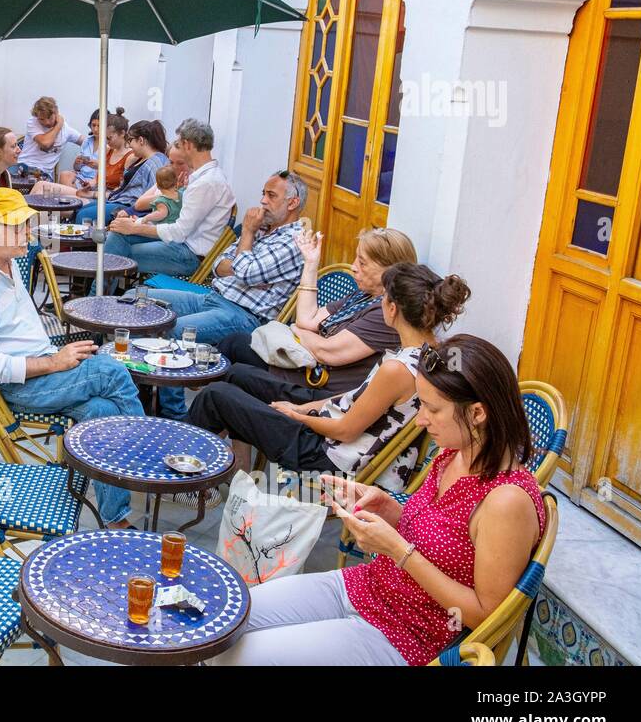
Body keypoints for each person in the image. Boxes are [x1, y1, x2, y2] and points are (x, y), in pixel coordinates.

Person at [209, 334, 544, 666]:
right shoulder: (454, 454)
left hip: (403, 636)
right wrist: (391, 510)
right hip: (366, 588)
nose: (421, 420)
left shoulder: (506, 502)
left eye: (432, 408)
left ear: (477, 414)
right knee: (219, 625)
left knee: (232, 657)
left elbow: (487, 617)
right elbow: (447, 543)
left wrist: (399, 551)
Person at [0, 187, 143, 527]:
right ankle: (148, 463)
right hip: (19, 387)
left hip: (43, 369)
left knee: (103, 411)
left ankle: (116, 518)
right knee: (110, 371)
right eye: (18, 227)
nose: (27, 233)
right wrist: (55, 363)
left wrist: (55, 358)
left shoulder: (7, 264)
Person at [189, 263, 471, 479]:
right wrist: (307, 407)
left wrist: (295, 414)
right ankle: (224, 471)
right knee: (238, 376)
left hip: (330, 456)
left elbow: (346, 431)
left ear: (393, 309)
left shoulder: (397, 369)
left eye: (384, 298)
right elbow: (358, 399)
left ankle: (188, 480)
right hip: (334, 430)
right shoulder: (442, 353)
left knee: (216, 394)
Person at [151, 171, 308, 420]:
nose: (263, 201)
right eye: (263, 194)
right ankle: (144, 390)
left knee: (172, 328)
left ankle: (173, 415)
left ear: (292, 203)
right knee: (143, 302)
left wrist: (246, 234)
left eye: (271, 195)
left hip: (244, 316)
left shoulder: (293, 242)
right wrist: (241, 262)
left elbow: (244, 272)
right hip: (214, 297)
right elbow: (218, 265)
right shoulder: (264, 229)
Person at [217, 227, 418, 397]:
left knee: (233, 379)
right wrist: (311, 265)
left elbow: (326, 352)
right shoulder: (363, 295)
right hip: (302, 369)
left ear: (390, 270)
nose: (354, 267)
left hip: (320, 390)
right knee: (235, 344)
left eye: (363, 262)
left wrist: (298, 332)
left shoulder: (386, 313)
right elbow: (307, 320)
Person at [104, 119, 235, 275]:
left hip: (189, 255)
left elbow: (179, 232)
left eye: (178, 144)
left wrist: (136, 226)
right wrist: (136, 223)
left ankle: (97, 295)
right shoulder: (203, 177)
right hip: (182, 245)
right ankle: (100, 294)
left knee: (118, 251)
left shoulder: (206, 183)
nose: (175, 147)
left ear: (187, 145)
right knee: (118, 235)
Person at [74, 119, 169, 224]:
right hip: (119, 201)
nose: (129, 145)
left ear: (141, 140)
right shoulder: (141, 158)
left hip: (128, 207)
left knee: (83, 215)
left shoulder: (155, 162)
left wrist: (130, 212)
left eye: (130, 140)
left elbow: (154, 198)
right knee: (79, 210)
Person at [30, 109, 133, 200]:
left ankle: (67, 203)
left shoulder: (129, 156)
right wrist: (87, 178)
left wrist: (92, 192)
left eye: (108, 138)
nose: (96, 129)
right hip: (87, 183)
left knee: (45, 194)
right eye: (93, 125)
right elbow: (96, 177)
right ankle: (24, 217)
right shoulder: (104, 148)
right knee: (40, 185)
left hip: (99, 193)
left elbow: (119, 190)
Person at [17, 96, 85, 181]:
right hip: (24, 167)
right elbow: (45, 143)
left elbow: (87, 142)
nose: (47, 122)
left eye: (50, 118)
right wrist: (58, 125)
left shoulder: (66, 130)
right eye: (42, 119)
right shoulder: (33, 122)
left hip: (44, 175)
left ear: (56, 112)